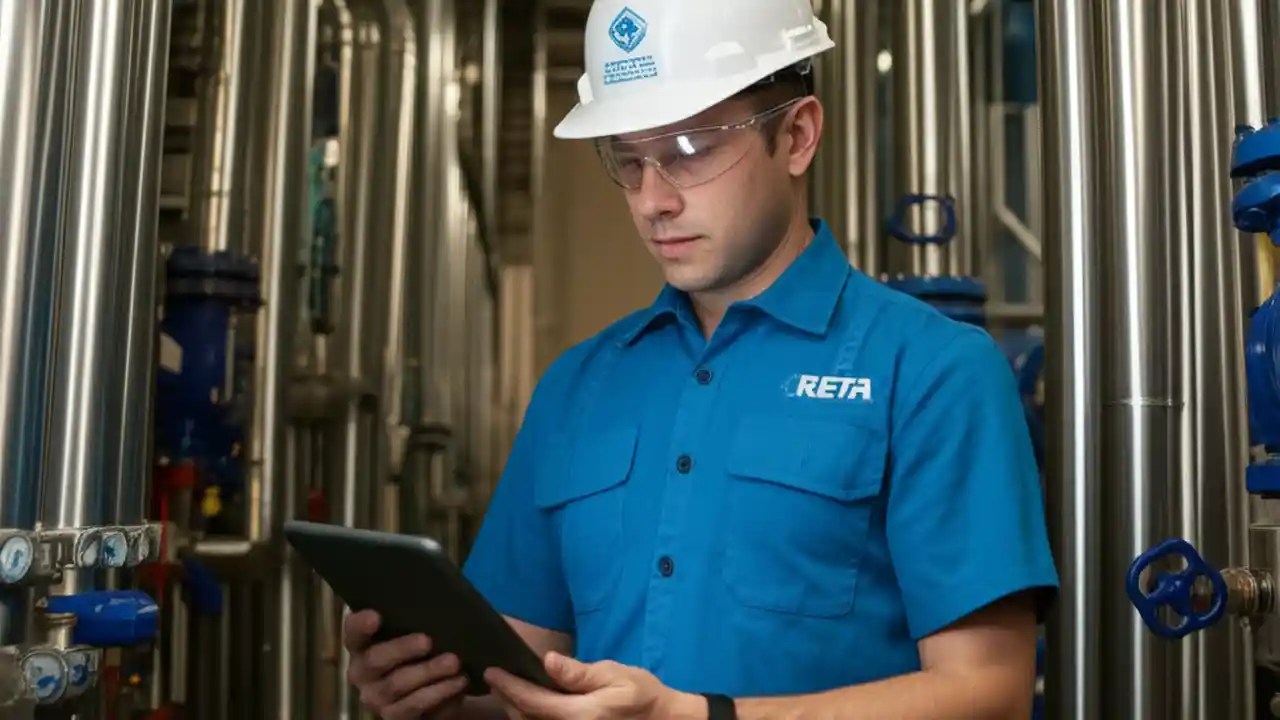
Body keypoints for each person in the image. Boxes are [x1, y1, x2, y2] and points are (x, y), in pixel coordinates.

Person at [343, 0, 1059, 717]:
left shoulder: (933, 371)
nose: (653, 199)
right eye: (628, 159)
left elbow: (987, 691)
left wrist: (701, 717)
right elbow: (517, 679)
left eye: (691, 149)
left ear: (798, 136)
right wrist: (433, 693)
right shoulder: (576, 386)